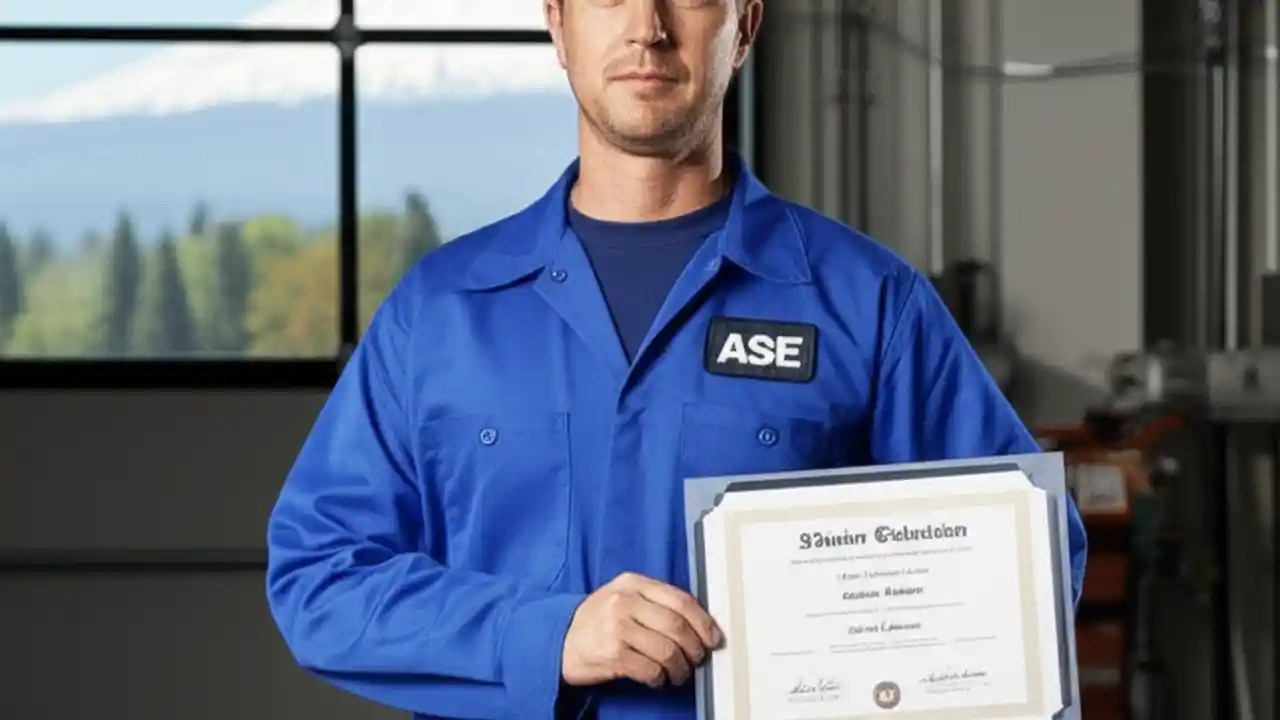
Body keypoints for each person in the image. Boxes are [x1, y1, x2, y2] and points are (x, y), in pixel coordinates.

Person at [265, 0, 1088, 718]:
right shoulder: (442, 311)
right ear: (558, 22)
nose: (648, 29)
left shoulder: (867, 304)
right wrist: (548, 636)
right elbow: (320, 579)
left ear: (744, 27)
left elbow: (1028, 564)